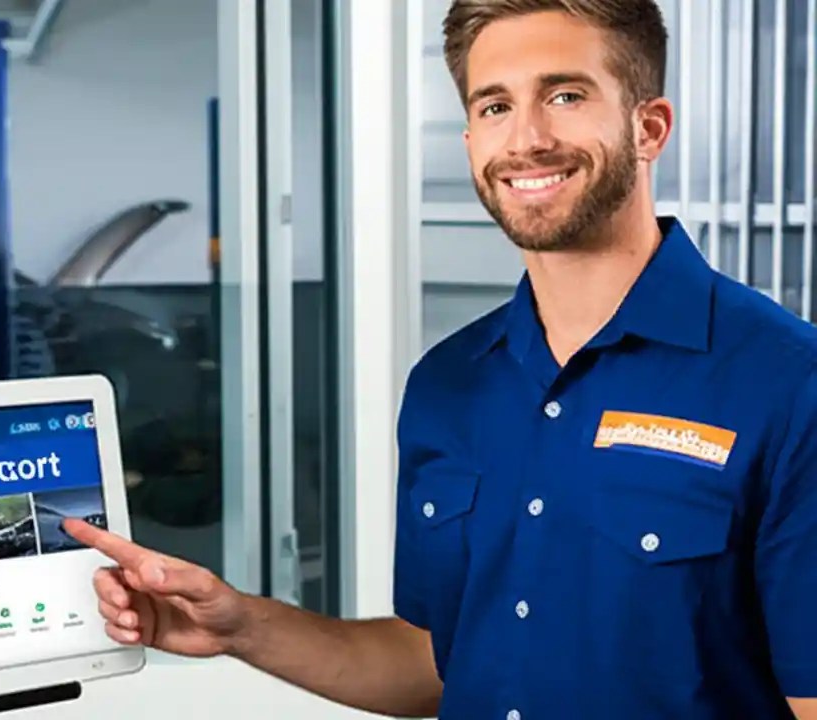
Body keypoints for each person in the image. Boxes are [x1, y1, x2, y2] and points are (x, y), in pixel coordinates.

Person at [62, 1, 817, 718]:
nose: (525, 139)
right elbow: (432, 660)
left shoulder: (787, 383)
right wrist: (237, 627)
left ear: (649, 127)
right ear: (470, 141)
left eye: (564, 95)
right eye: (494, 106)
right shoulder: (450, 385)